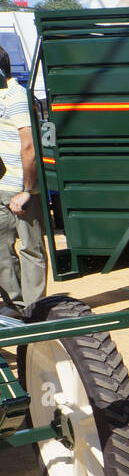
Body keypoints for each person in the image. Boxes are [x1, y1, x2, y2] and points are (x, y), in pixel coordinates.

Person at [0, 45, 47, 315]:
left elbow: (28, 146)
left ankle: (34, 312)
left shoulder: (17, 97)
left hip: (22, 189)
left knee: (31, 249)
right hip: (2, 187)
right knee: (2, 250)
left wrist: (27, 190)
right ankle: (15, 305)